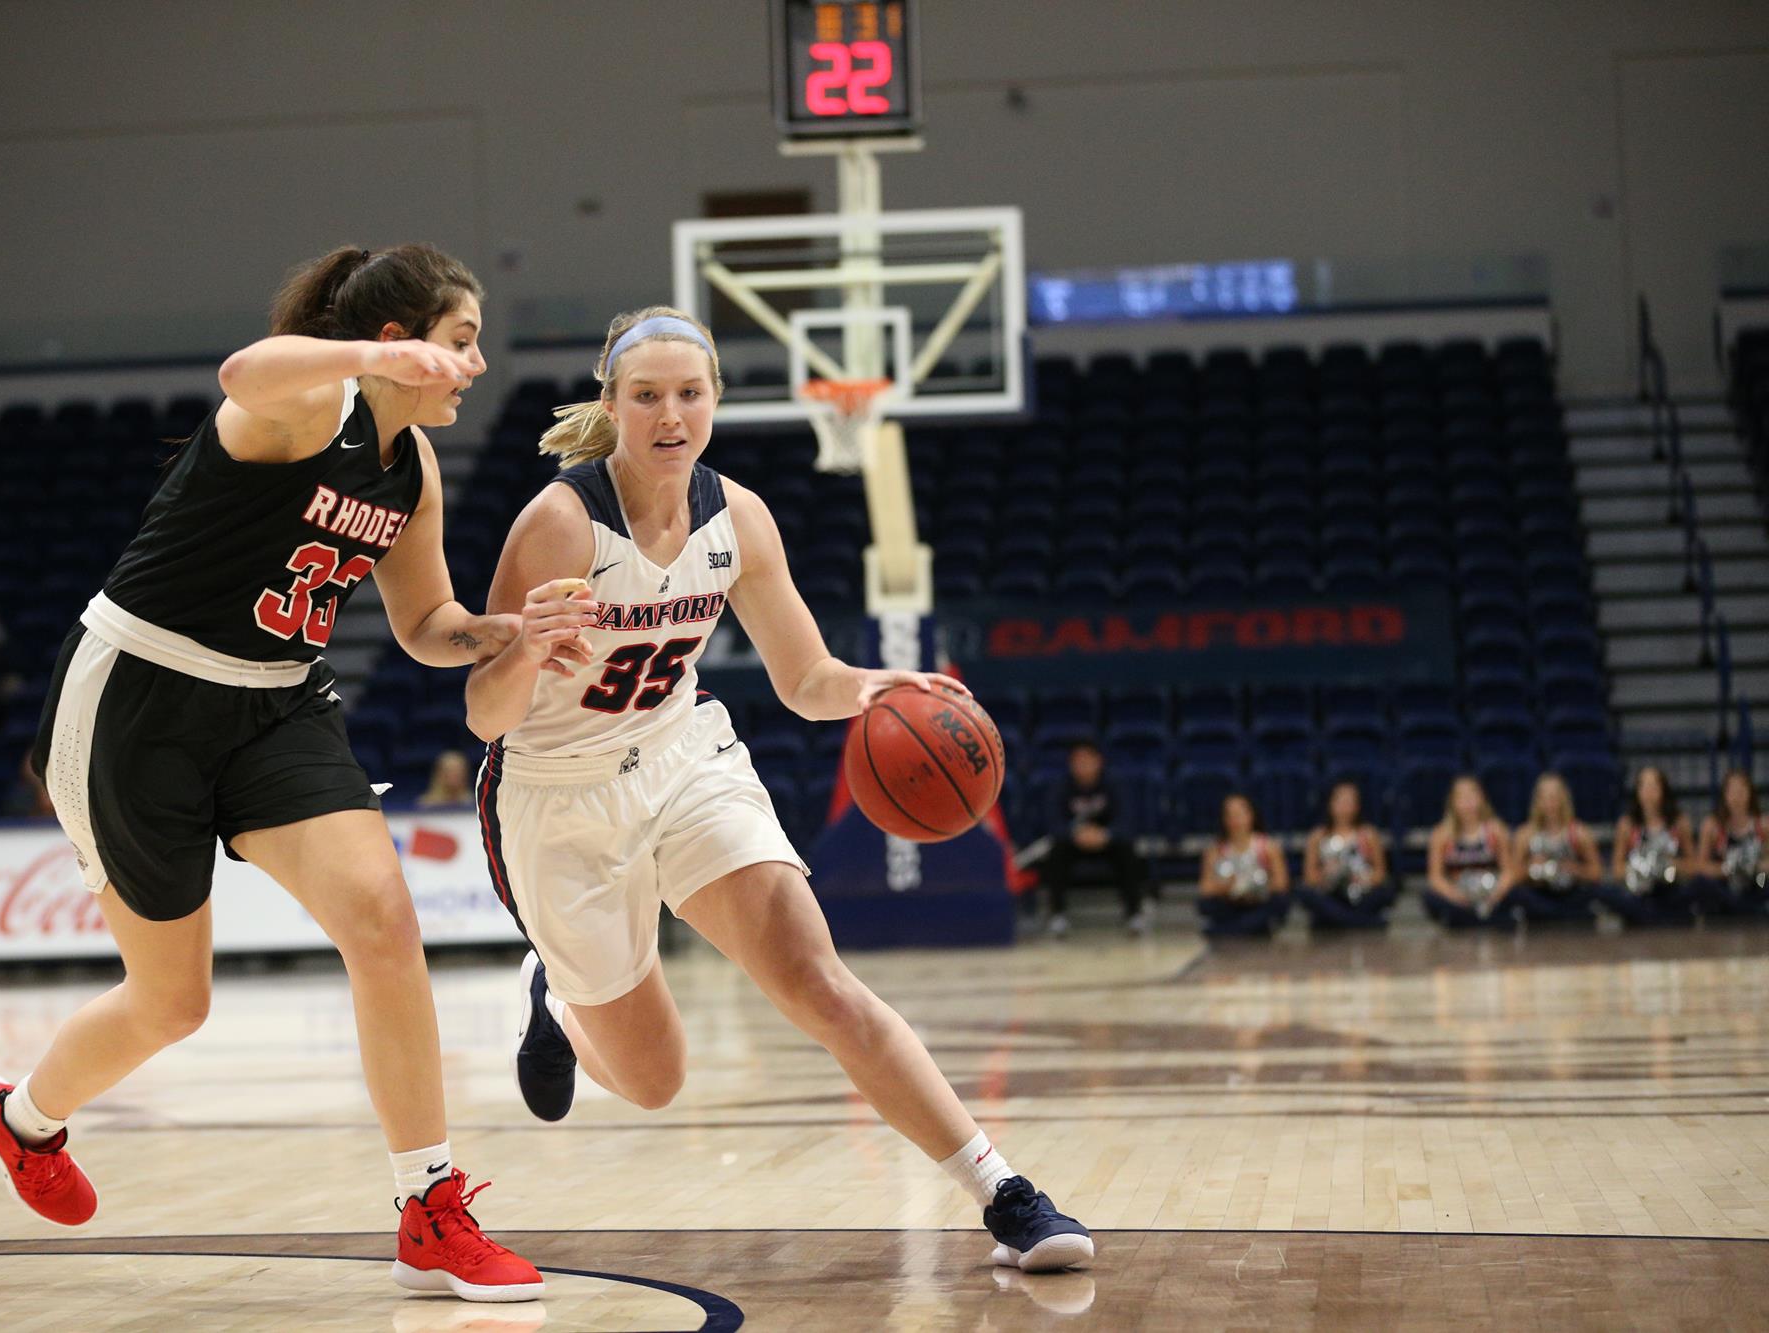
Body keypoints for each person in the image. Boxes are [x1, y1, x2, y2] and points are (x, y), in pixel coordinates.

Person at [0, 244, 548, 1302]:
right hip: (142, 696)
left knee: (382, 917)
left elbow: (424, 624)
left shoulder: (407, 470)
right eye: (459, 340)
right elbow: (240, 373)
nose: (475, 362)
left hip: (276, 700)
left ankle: (429, 1202)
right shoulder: (304, 408)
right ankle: (21, 1118)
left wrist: (509, 633)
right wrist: (378, 354)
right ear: (399, 342)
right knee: (172, 1003)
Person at [463, 306, 1092, 1274]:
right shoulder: (557, 522)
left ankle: (1003, 1193)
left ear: (714, 398)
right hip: (558, 796)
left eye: (689, 392)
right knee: (654, 1078)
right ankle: (551, 998)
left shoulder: (737, 517)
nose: (669, 415)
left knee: (820, 983)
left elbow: (804, 681)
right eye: (646, 396)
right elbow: (482, 713)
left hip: (682, 759)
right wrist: (525, 652)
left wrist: (882, 686)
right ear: (612, 405)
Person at [1036, 740, 1152, 936]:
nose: (1082, 766)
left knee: (1128, 850)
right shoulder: (1062, 786)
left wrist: (1106, 834)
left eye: (1087, 760)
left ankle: (1134, 914)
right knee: (1056, 851)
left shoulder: (1114, 783)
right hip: (1075, 841)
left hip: (1107, 840)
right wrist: (1075, 834)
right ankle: (1057, 915)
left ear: (1099, 761)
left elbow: (1127, 819)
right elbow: (1053, 822)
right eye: (1077, 761)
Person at [1596, 766, 1700, 927]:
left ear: (1663, 790)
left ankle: (1652, 916)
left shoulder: (1679, 822)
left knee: (1702, 886)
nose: (1649, 793)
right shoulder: (1627, 824)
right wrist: (1641, 868)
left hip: (1669, 888)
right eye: (1643, 786)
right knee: (1604, 893)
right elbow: (1616, 870)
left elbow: (1693, 867)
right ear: (1637, 791)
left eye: (1654, 787)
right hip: (1640, 892)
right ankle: (1658, 916)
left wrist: (1670, 865)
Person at [1500, 772, 1601, 924]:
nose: (1549, 802)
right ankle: (1562, 916)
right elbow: (1513, 875)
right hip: (1539, 893)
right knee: (1516, 894)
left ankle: (1560, 915)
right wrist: (1530, 868)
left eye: (1554, 796)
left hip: (1570, 892)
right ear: (1537, 801)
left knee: (1599, 893)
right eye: (1544, 797)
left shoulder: (1579, 832)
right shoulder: (1525, 834)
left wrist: (1575, 869)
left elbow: (1596, 873)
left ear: (1563, 799)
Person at [1293, 781, 1393, 930]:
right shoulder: (1318, 836)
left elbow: (1380, 873)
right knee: (1305, 893)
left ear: (1358, 806)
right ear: (1330, 804)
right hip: (1330, 893)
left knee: (1386, 891)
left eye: (1350, 801)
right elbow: (1309, 876)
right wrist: (1328, 876)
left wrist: (1362, 878)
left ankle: (1338, 920)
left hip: (1360, 891)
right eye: (1340, 800)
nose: (1345, 806)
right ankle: (1362, 922)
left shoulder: (1368, 834)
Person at [1422, 776, 1515, 928]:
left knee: (1518, 893)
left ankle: (1479, 918)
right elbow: (1435, 877)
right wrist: (1455, 896)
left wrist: (1496, 895)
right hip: (1459, 895)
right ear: (1452, 802)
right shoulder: (1441, 834)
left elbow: (1509, 872)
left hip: (1491, 893)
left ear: (1482, 799)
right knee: (1430, 898)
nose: (1468, 803)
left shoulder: (1496, 830)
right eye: (1462, 797)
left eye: (1472, 796)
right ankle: (1484, 920)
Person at [1197, 793, 1291, 937]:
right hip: (1230, 901)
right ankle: (1248, 927)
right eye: (1230, 815)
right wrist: (1229, 887)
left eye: (1239, 814)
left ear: (1251, 815)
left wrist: (1253, 887)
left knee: (1281, 901)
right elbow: (1205, 888)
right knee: (1205, 904)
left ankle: (1228, 930)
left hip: (1258, 900)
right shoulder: (1215, 850)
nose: (1235, 819)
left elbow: (1281, 884)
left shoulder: (1268, 846)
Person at [1693, 769, 1769, 917]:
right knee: (1701, 884)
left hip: (1755, 883)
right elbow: (1700, 866)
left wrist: (1755, 867)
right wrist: (1727, 869)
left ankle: (1749, 908)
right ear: (1725, 795)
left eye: (1741, 791)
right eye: (1732, 792)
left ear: (1750, 793)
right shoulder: (1712, 825)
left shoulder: (1763, 824)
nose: (1737, 797)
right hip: (1726, 885)